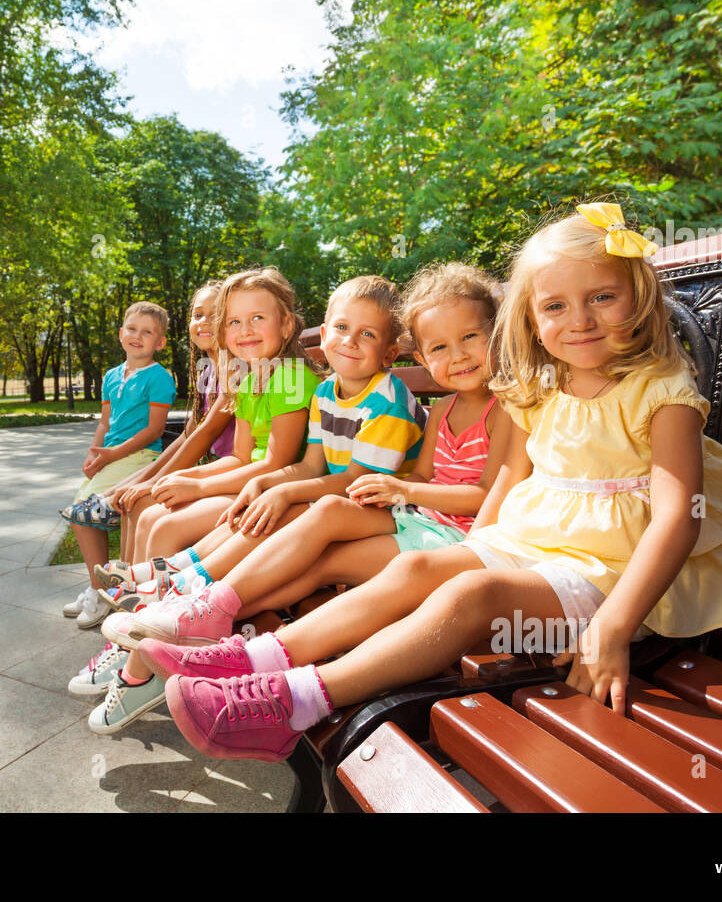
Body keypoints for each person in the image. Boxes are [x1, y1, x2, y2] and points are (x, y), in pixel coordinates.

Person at [161, 202, 722, 761]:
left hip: (617, 582)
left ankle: (292, 702)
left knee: (468, 597)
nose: (579, 321)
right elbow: (508, 486)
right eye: (555, 306)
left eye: (603, 297)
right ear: (530, 317)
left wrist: (613, 627)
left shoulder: (660, 391)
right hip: (534, 553)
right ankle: (252, 658)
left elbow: (677, 516)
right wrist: (464, 538)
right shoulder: (543, 388)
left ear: (637, 297)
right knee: (414, 571)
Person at [83, 276, 427, 732]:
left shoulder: (315, 383)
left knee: (173, 520)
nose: (243, 330)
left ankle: (169, 608)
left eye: (366, 333)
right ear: (323, 335)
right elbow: (260, 460)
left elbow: (326, 474)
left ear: (287, 325)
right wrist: (191, 478)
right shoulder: (309, 389)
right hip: (329, 498)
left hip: (369, 508)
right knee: (152, 510)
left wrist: (245, 487)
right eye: (234, 322)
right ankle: (152, 613)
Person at [128, 263, 506, 672]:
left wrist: (287, 488)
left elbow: (391, 483)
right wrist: (272, 485)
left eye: (470, 337)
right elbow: (320, 467)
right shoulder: (333, 393)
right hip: (407, 511)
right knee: (294, 512)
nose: (458, 354)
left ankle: (197, 597)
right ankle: (199, 608)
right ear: (324, 336)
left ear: (391, 353)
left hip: (425, 522)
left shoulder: (403, 404)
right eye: (343, 328)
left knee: (314, 521)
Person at [99, 281, 237, 580]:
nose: (203, 322)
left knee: (145, 502)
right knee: (131, 499)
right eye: (198, 314)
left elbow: (204, 436)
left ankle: (138, 596)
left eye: (215, 315)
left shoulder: (235, 370)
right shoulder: (208, 368)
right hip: (218, 472)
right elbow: (189, 434)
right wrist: (135, 481)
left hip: (230, 474)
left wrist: (155, 483)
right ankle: (123, 585)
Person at [59, 301, 174, 627]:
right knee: (80, 513)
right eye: (132, 329)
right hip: (111, 458)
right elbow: (105, 423)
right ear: (121, 333)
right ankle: (101, 586)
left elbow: (154, 429)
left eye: (148, 332)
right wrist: (94, 453)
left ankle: (101, 591)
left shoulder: (159, 378)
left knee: (83, 512)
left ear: (160, 342)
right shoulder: (111, 376)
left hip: (140, 457)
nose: (138, 336)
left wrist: (113, 454)